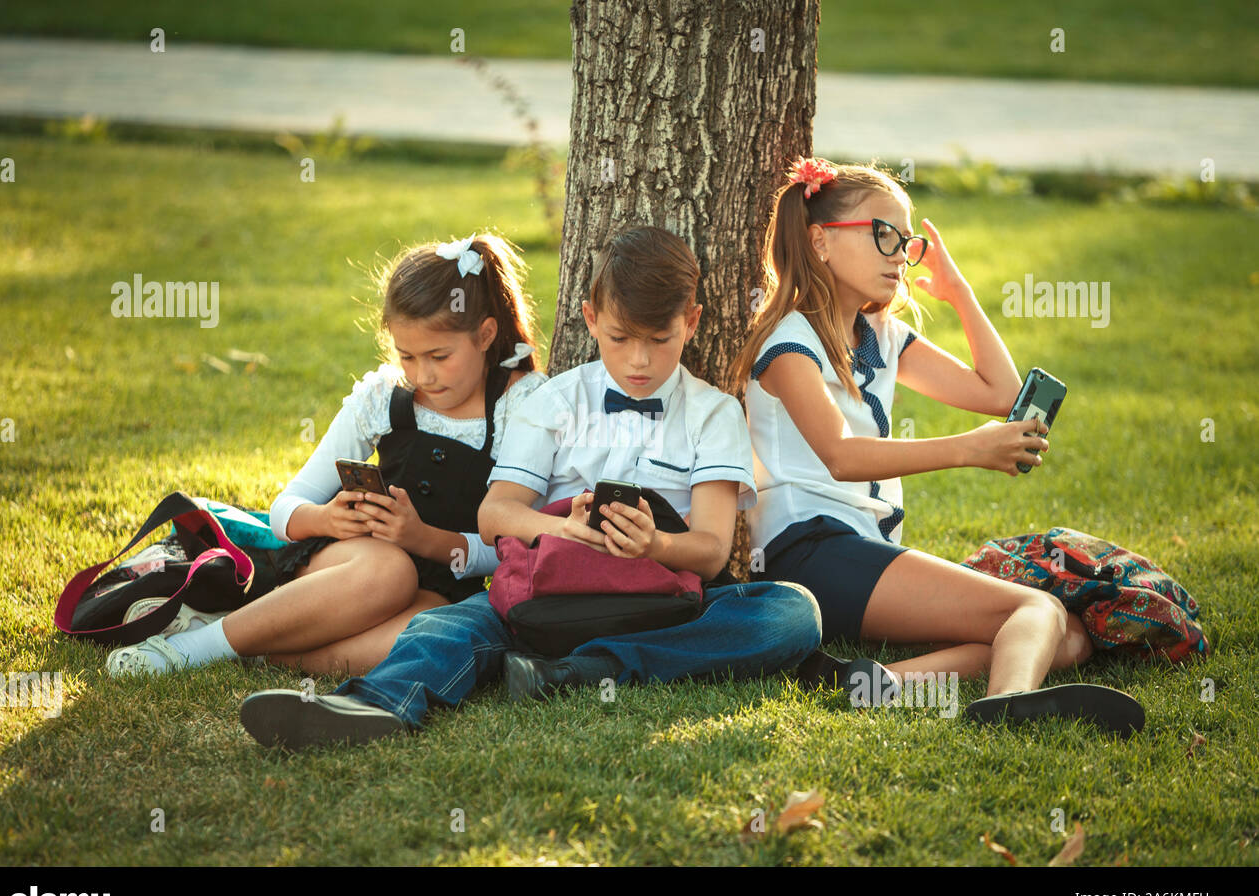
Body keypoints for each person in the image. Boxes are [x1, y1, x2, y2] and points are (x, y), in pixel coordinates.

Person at [237, 225, 822, 748]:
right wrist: (560, 526)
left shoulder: (713, 413)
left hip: (659, 604)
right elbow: (496, 514)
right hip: (542, 601)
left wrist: (656, 545)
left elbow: (714, 549)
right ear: (590, 319)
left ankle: (581, 671)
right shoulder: (553, 399)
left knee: (791, 612)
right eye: (619, 339)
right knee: (447, 624)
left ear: (690, 323)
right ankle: (368, 706)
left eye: (660, 340)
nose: (639, 361)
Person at [734, 157, 1143, 735]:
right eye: (882, 235)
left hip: (861, 549)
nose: (899, 253)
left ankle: (879, 685)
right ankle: (1007, 706)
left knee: (1067, 637)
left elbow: (1000, 392)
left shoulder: (878, 333)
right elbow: (842, 456)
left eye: (907, 241)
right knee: (1035, 609)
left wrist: (959, 293)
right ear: (820, 242)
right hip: (810, 552)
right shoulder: (788, 342)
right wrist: (968, 449)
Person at [106, 233, 547, 677]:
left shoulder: (520, 406)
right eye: (407, 356)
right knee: (391, 571)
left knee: (428, 628)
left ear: (486, 334)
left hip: (440, 585)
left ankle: (251, 643)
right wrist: (327, 519)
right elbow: (285, 509)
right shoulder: (382, 397)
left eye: (439, 355)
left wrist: (423, 538)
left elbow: (517, 548)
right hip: (353, 564)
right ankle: (185, 650)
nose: (422, 375)